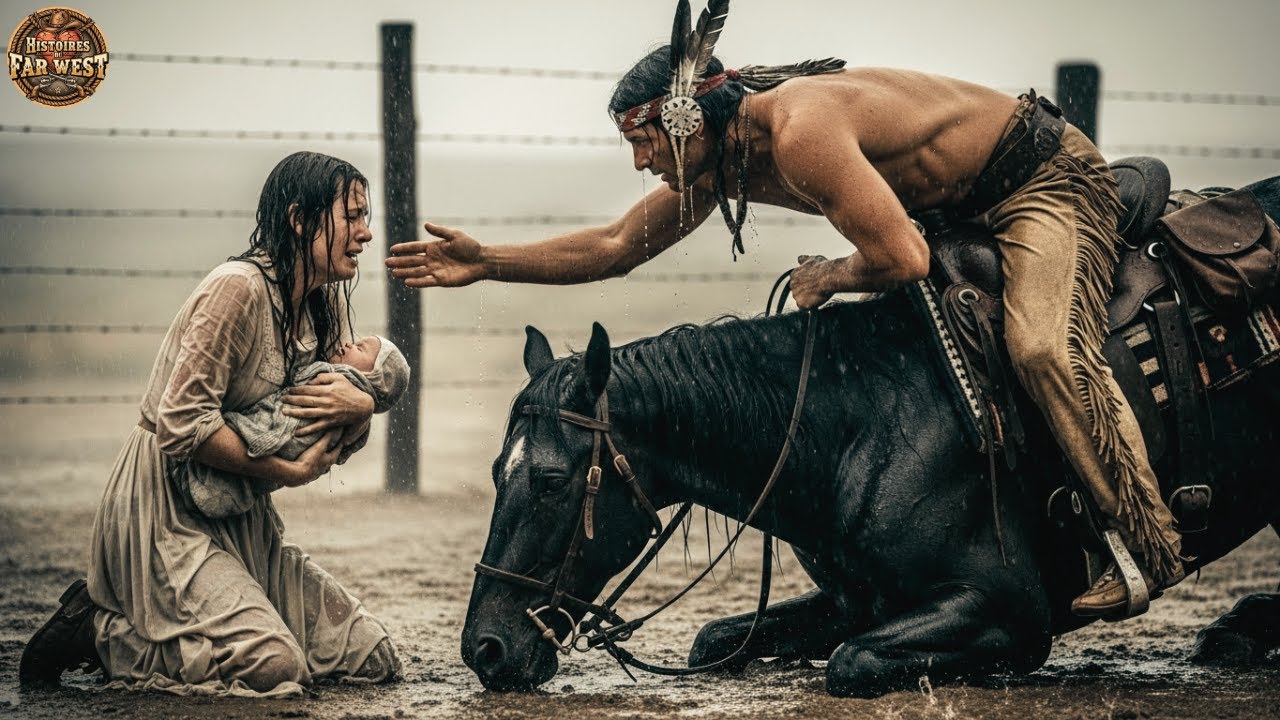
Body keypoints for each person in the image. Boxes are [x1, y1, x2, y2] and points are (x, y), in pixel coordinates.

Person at [385, 0, 1185, 617]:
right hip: (959, 211)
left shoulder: (802, 131)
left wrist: (830, 273)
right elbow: (616, 247)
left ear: (685, 117)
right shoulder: (722, 163)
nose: (638, 161)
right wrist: (488, 262)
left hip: (1039, 181)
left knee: (1042, 348)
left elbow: (901, 260)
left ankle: (1143, 544)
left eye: (642, 138)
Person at [20, 151, 401, 695]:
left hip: (241, 514)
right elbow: (181, 426)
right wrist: (287, 473)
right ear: (299, 220)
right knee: (273, 669)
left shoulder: (323, 307)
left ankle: (210, 616)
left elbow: (327, 412)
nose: (366, 234)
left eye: (368, 217)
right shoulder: (237, 290)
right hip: (166, 511)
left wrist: (362, 408)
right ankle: (103, 632)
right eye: (353, 216)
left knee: (369, 655)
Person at [170, 334, 410, 519]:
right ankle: (218, 491)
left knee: (245, 434)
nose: (347, 344)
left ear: (376, 376)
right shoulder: (356, 424)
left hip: (273, 432)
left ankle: (200, 479)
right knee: (243, 479)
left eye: (360, 348)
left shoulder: (332, 381)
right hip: (270, 467)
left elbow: (298, 380)